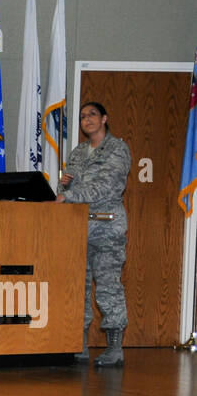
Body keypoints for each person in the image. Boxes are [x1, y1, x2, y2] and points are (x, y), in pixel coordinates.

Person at [56, 101, 131, 368]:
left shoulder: (117, 149)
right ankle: (80, 344)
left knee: (108, 289)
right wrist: (63, 185)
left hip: (106, 227)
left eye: (92, 115)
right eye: (82, 117)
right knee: (79, 288)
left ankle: (114, 349)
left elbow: (105, 188)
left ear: (104, 119)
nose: (86, 120)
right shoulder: (78, 152)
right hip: (78, 228)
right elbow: (67, 185)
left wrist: (69, 194)